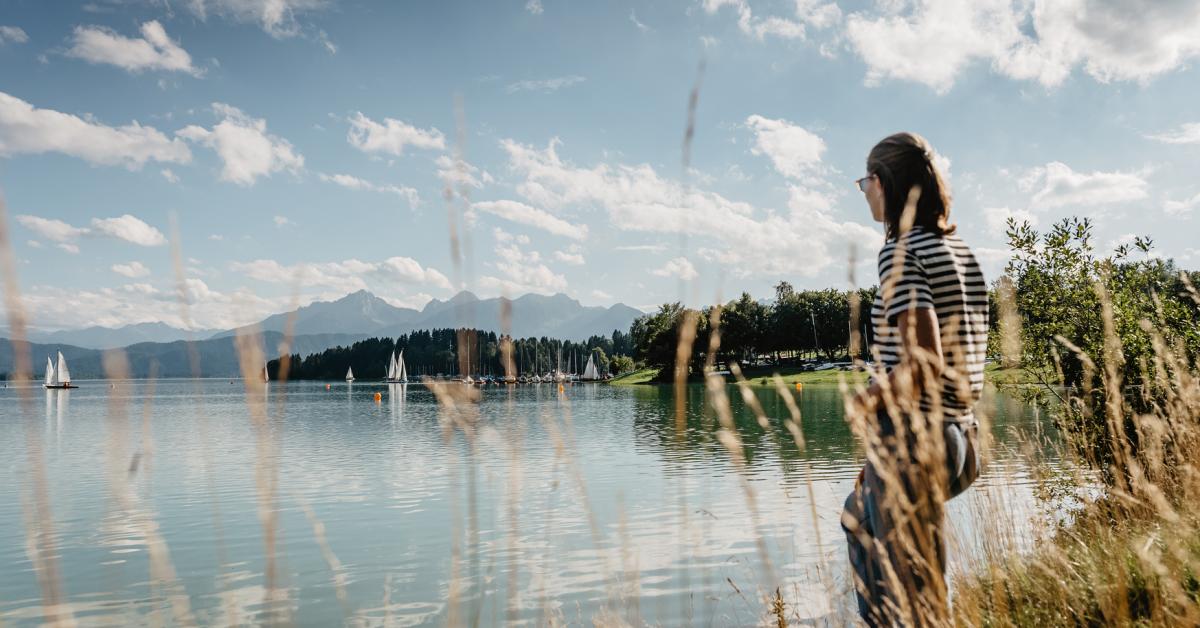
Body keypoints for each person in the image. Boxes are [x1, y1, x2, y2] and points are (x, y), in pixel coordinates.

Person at [841, 132, 988, 626]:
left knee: (917, 602)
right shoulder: (960, 251)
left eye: (864, 182)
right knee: (857, 519)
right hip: (961, 438)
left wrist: (864, 402)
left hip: (916, 440)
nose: (864, 192)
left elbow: (923, 363)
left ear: (882, 183)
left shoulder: (899, 252)